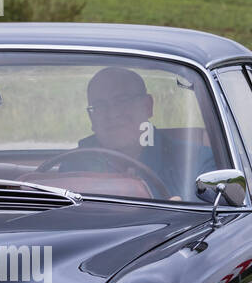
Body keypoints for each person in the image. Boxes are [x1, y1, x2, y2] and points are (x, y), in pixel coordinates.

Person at [67, 67, 214, 199]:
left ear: (147, 106)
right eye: (99, 106)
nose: (112, 114)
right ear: (91, 117)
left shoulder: (197, 163)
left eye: (122, 101)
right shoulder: (74, 163)